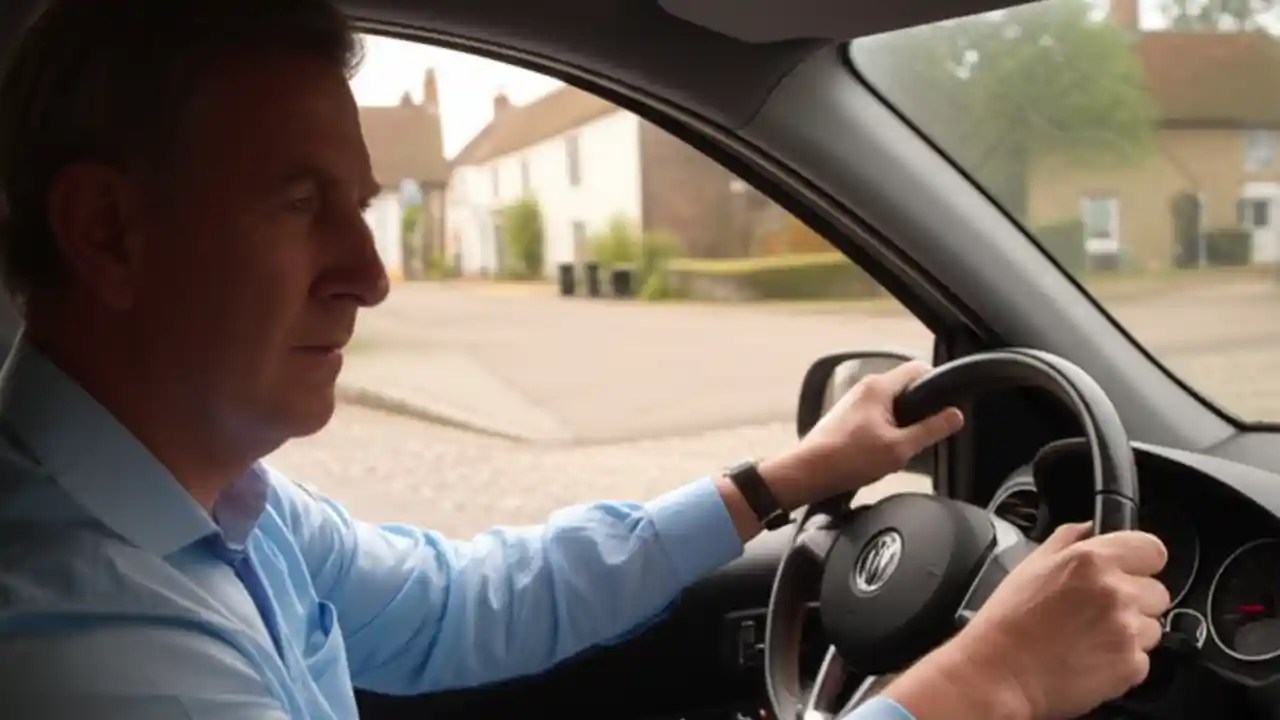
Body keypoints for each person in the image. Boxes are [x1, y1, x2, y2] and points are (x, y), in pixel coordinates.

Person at [0, 1, 1170, 718]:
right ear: (108, 231)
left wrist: (780, 482)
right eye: (301, 205)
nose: (369, 272)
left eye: (361, 208)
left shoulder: (218, 508)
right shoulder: (82, 647)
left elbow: (461, 608)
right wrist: (993, 681)